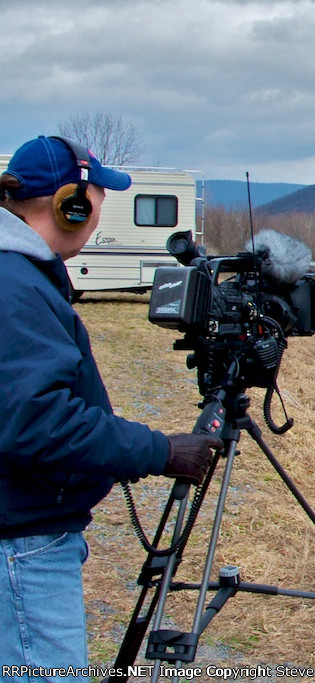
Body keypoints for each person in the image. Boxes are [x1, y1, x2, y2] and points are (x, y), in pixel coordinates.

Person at [0, 135, 221, 679]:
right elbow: (37, 421)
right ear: (70, 205)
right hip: (22, 541)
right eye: (98, 196)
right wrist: (160, 451)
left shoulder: (19, 275)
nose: (101, 210)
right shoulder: (15, 286)